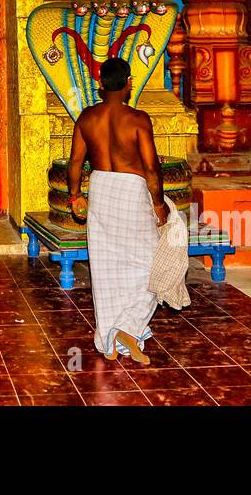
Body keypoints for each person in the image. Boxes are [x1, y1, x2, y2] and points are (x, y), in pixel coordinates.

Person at [67, 56, 166, 363]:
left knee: (106, 267)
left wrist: (75, 196)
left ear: (100, 85)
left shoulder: (86, 118)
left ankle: (109, 337)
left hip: (100, 188)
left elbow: (74, 163)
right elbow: (151, 168)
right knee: (154, 264)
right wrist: (159, 203)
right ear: (128, 84)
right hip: (131, 190)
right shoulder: (137, 119)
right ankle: (126, 328)